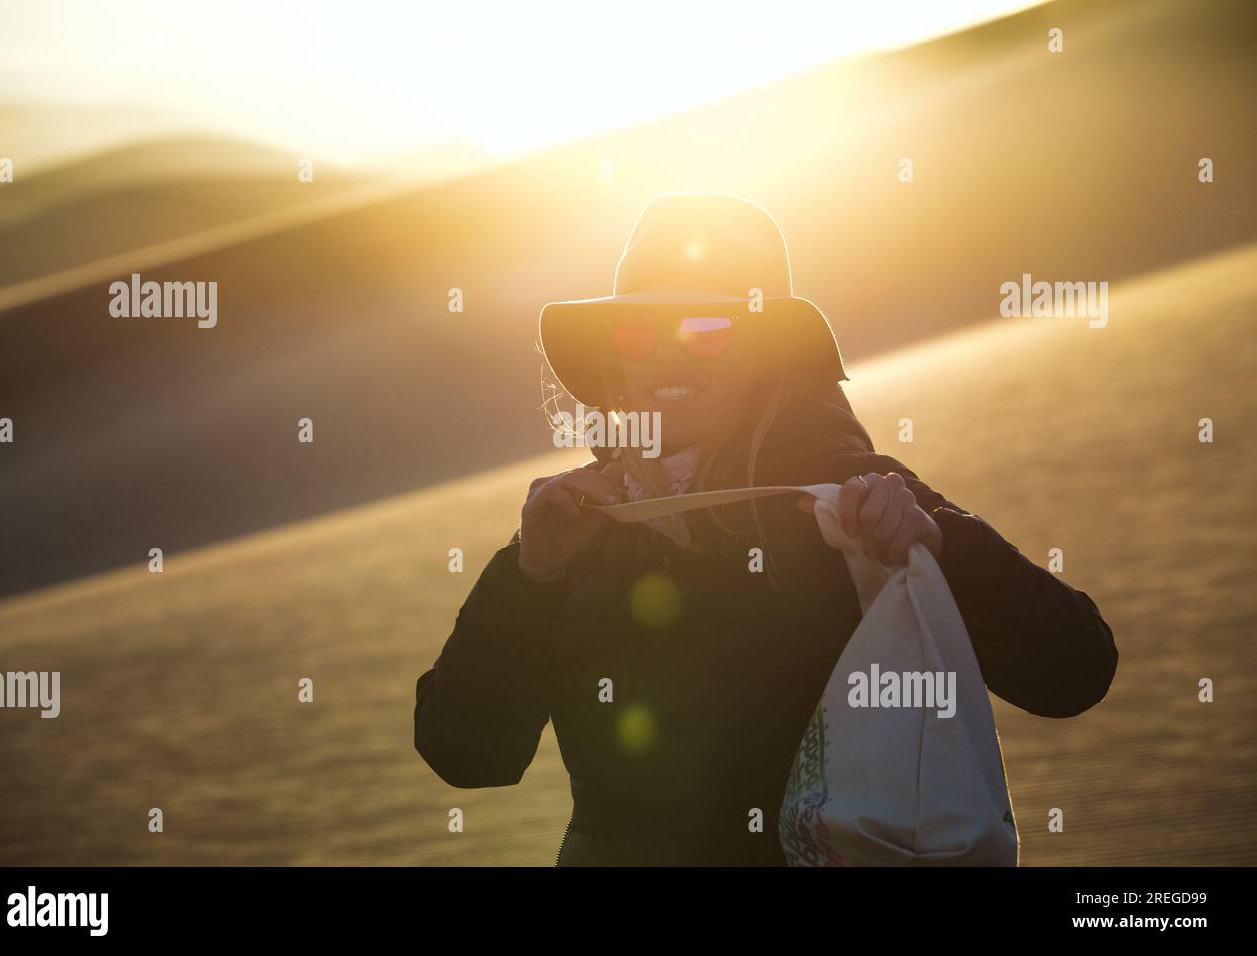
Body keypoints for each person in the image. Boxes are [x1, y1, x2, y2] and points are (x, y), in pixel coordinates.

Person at [414, 192, 1118, 866]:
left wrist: (942, 544)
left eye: (708, 329)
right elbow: (467, 756)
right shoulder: (579, 526)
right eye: (637, 329)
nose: (666, 352)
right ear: (613, 356)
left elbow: (1075, 670)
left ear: (765, 351)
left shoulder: (850, 495)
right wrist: (527, 580)